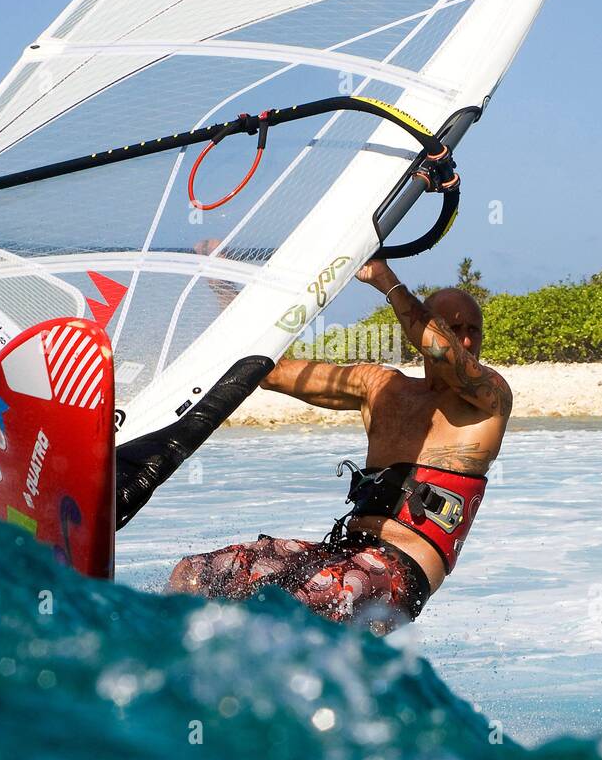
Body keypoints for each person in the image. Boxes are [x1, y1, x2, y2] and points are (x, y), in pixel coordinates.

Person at [167, 257, 512, 632]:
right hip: (344, 552)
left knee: (290, 608)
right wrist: (226, 286)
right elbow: (272, 371)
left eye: (473, 330)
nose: (464, 339)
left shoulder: (489, 400)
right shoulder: (382, 389)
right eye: (452, 327)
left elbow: (444, 354)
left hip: (399, 571)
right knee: (196, 574)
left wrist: (385, 281)